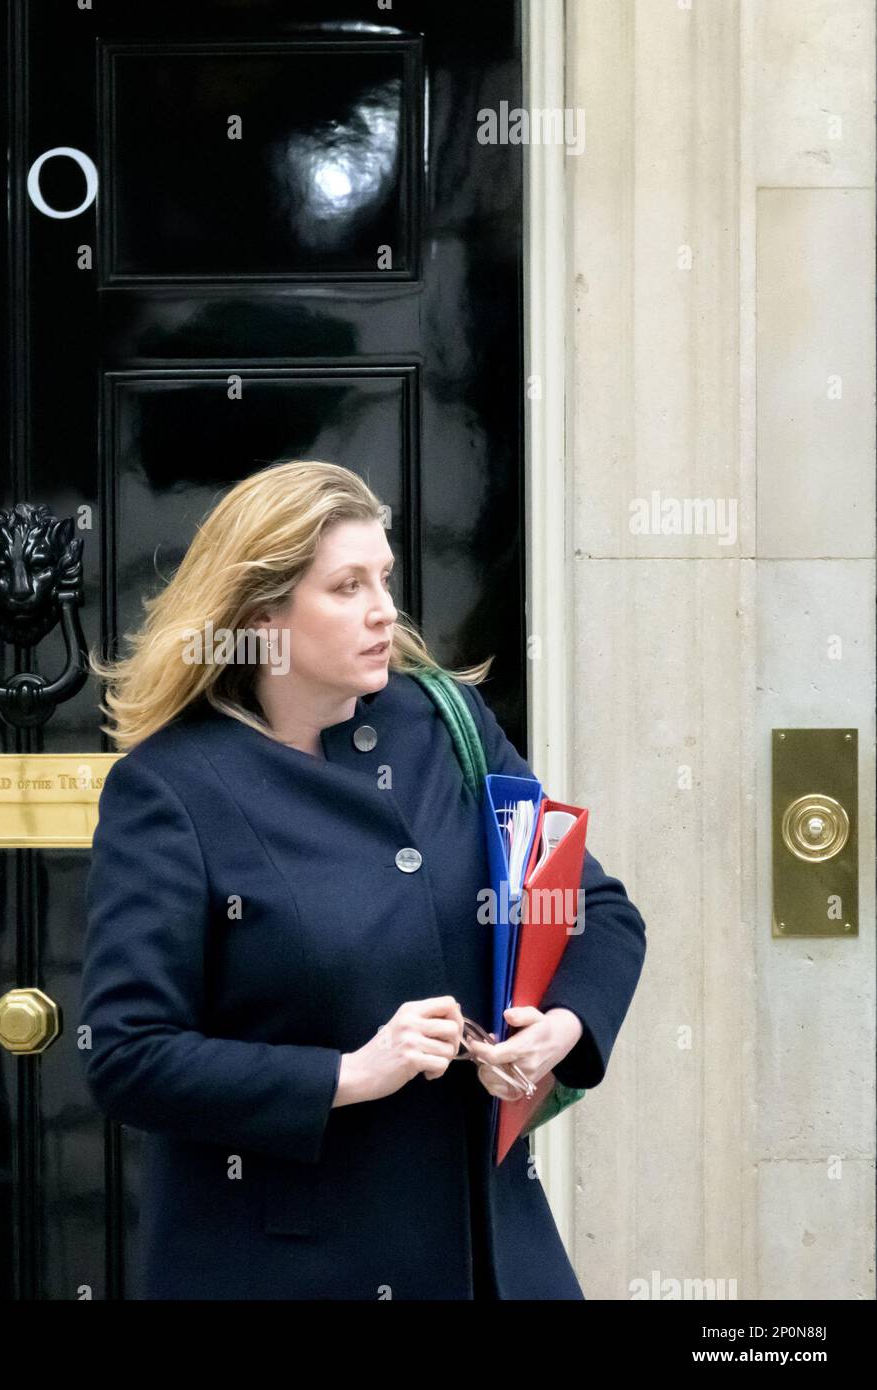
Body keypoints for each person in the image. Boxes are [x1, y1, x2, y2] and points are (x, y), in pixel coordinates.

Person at [79, 459, 647, 1299]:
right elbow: (127, 1055)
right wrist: (351, 1073)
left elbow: (594, 906)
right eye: (346, 587)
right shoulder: (171, 790)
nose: (384, 611)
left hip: (496, 1252)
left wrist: (560, 1029)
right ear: (261, 615)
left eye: (383, 577)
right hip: (289, 1266)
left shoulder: (445, 724)